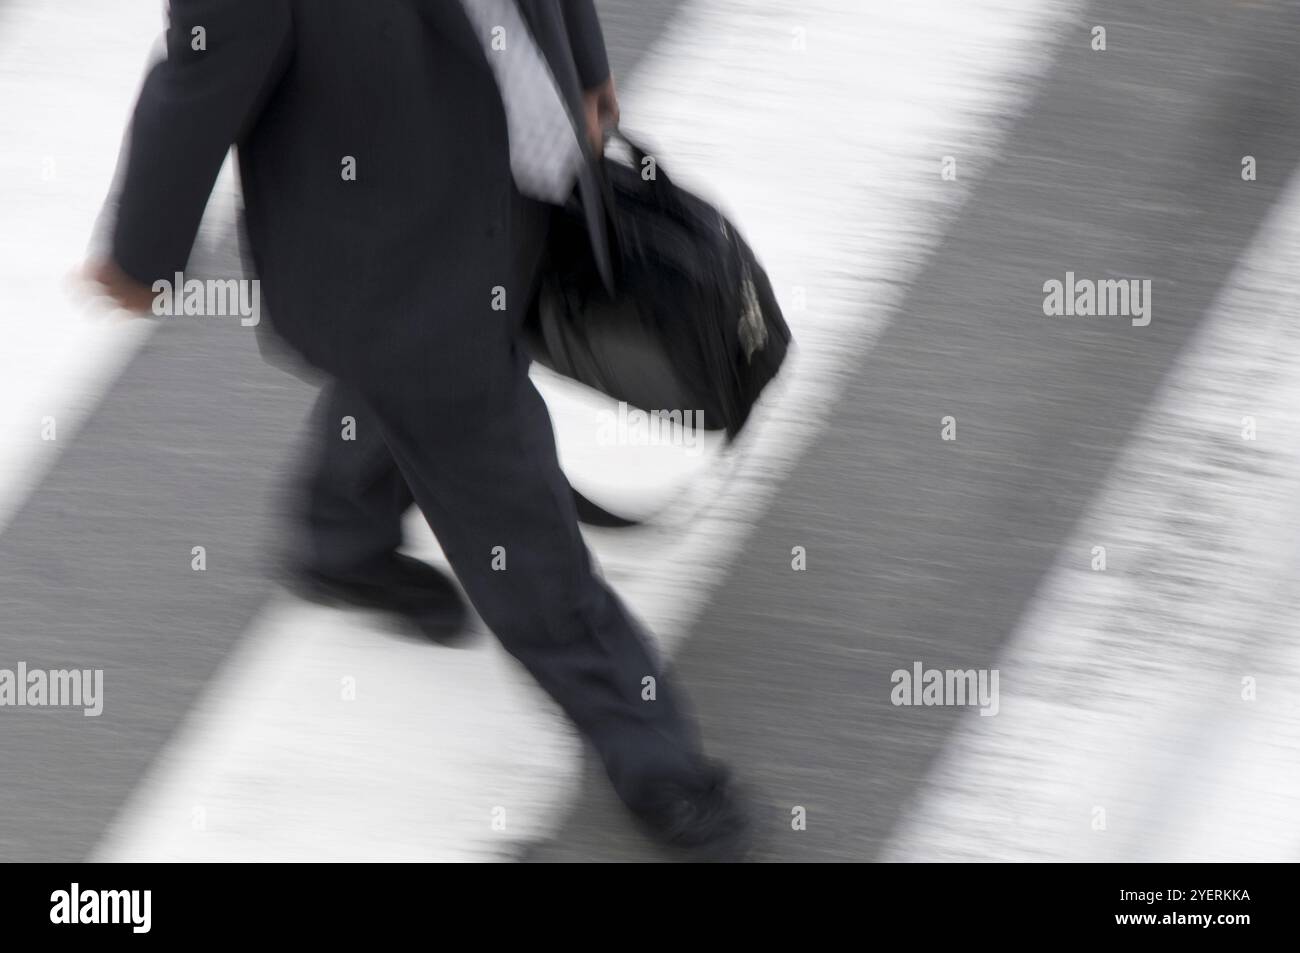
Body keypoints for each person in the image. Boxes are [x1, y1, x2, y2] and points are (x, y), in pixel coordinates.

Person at [86, 0, 750, 858]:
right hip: (399, 266)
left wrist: (583, 65)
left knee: (404, 397)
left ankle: (340, 537)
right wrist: (144, 254)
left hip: (512, 188)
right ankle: (659, 761)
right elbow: (201, 74)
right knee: (520, 527)